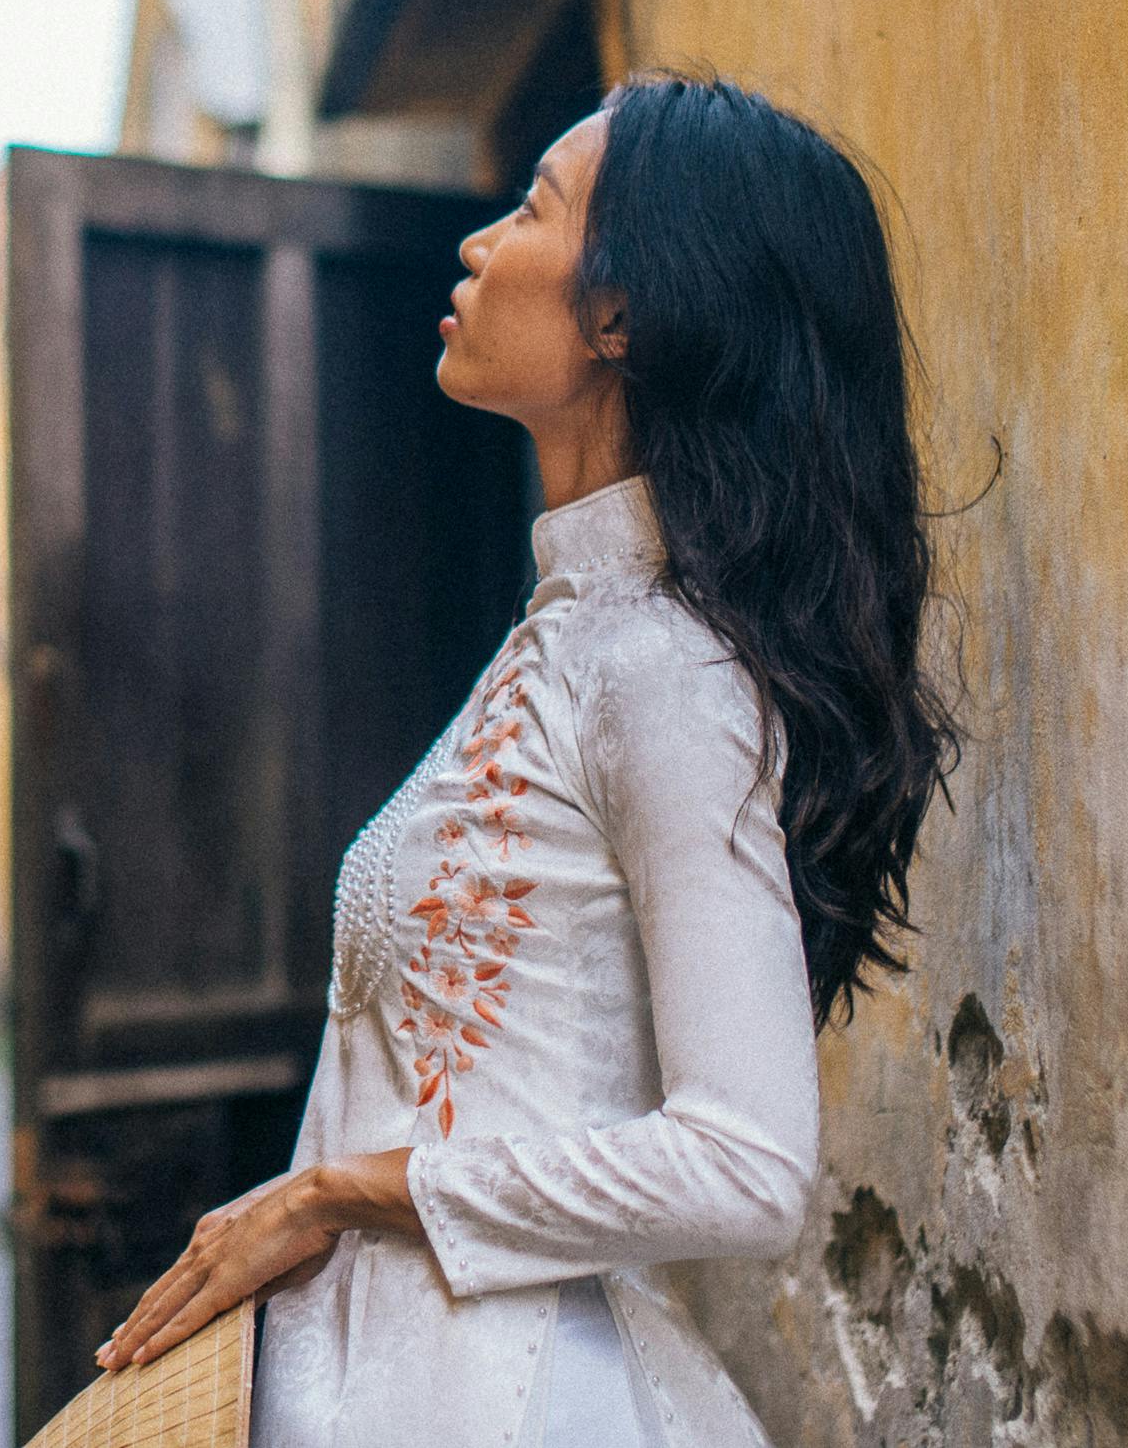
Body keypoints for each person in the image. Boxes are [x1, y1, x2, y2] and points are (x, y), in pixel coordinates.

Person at [94, 74, 960, 1447]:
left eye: (534, 207)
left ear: (622, 312)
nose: (480, 243)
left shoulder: (666, 670)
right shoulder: (563, 637)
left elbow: (747, 1161)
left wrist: (331, 1192)